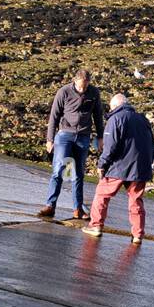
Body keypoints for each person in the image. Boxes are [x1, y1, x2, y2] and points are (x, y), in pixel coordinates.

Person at [83, 93, 154, 244]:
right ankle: (137, 235)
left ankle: (95, 226)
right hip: (140, 167)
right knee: (136, 200)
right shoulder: (143, 119)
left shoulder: (115, 119)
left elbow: (110, 146)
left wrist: (102, 164)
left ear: (114, 106)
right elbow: (151, 144)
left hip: (119, 166)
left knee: (102, 195)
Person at [38, 68, 104, 220]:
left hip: (83, 136)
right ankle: (50, 205)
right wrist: (50, 139)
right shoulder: (64, 92)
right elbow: (54, 116)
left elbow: (98, 116)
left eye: (86, 86)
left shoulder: (94, 93)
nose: (83, 89)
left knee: (78, 173)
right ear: (75, 80)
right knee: (59, 169)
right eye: (81, 86)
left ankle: (77, 209)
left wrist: (100, 137)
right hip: (65, 135)